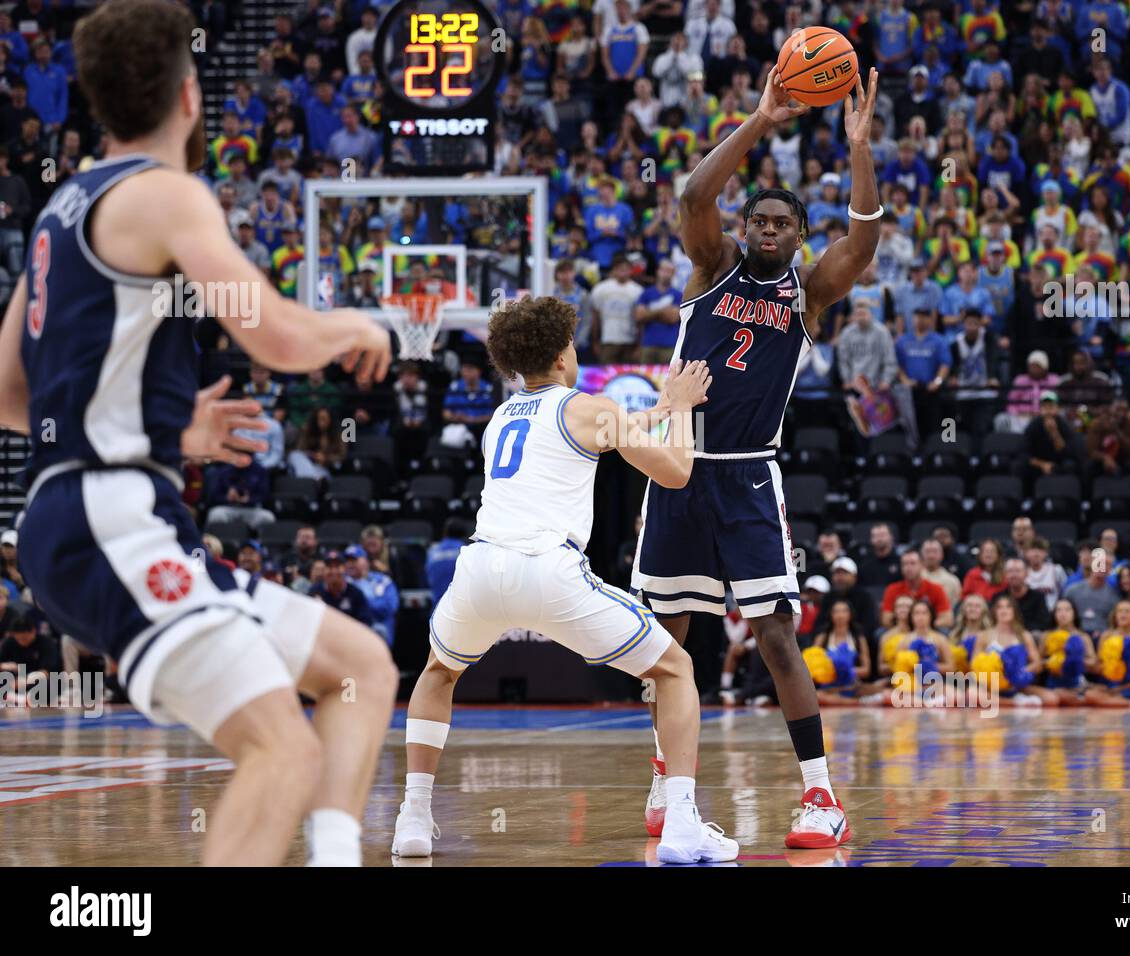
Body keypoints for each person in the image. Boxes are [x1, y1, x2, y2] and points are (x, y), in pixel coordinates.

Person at [0, 0, 397, 867]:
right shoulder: (166, 193)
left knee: (356, 665)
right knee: (280, 750)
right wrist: (356, 326)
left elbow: (8, 393)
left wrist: (168, 428)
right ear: (190, 95)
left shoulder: (59, 210)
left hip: (83, 514)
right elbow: (277, 334)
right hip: (110, 518)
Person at [628, 65, 881, 850]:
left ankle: (821, 796)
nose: (768, 229)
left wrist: (860, 148)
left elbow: (864, 241)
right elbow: (695, 199)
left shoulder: (805, 295)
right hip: (675, 465)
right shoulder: (712, 266)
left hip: (745, 472)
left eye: (782, 223)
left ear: (799, 237)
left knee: (774, 635)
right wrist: (761, 121)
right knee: (665, 641)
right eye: (759, 219)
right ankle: (672, 788)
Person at [394, 298, 737, 865]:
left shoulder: (503, 417)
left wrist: (655, 409)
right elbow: (675, 473)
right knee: (676, 669)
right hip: (548, 570)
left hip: (480, 569)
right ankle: (681, 822)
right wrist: (678, 409)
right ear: (561, 354)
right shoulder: (587, 406)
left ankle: (413, 817)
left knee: (437, 672)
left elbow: (606, 433)